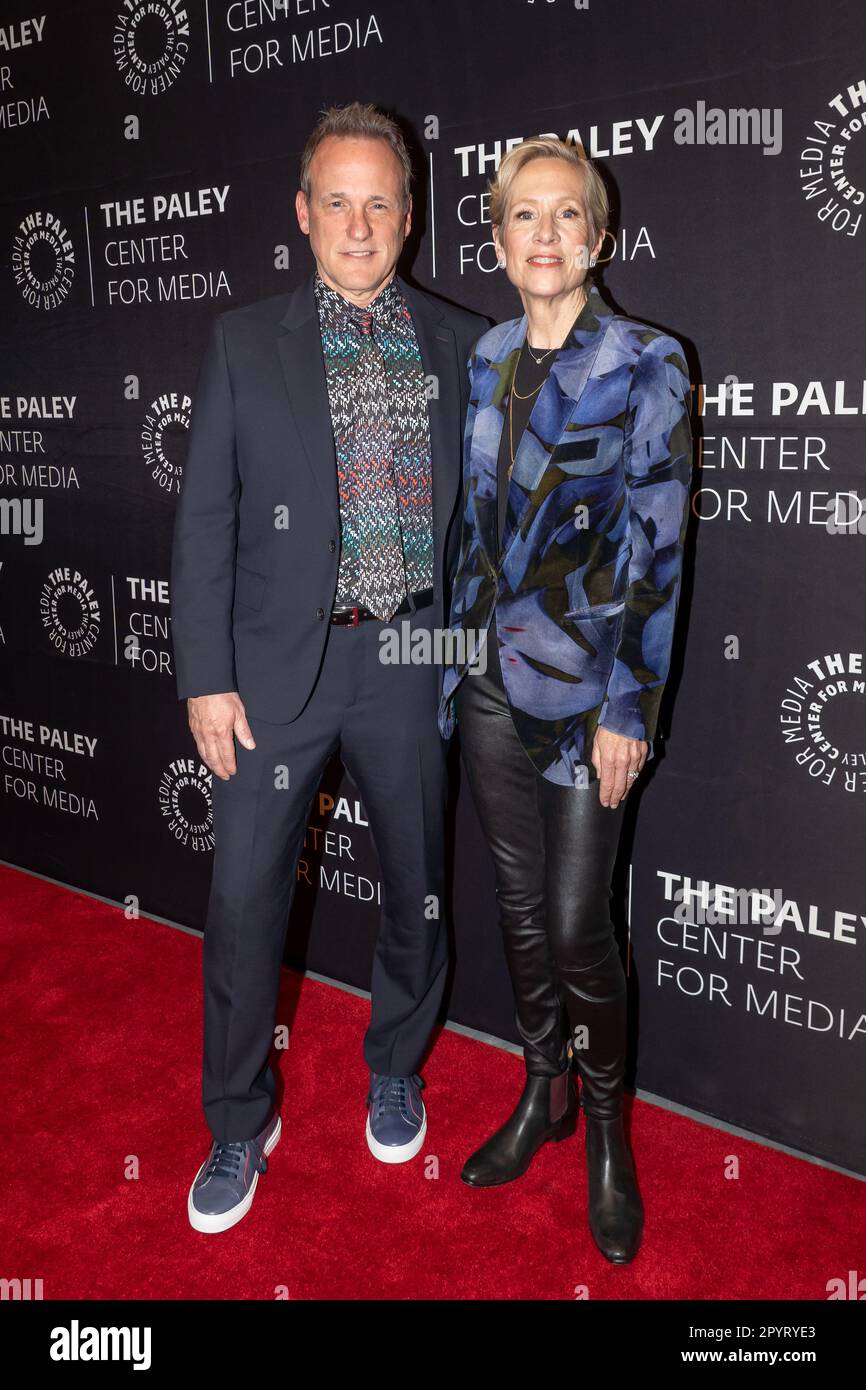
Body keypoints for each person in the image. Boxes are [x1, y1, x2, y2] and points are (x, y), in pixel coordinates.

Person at [171, 101, 487, 1234]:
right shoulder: (243, 342)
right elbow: (206, 517)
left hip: (410, 652)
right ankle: (234, 1120)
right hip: (267, 673)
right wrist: (204, 674)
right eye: (337, 202)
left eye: (381, 203)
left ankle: (394, 1061)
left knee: (417, 884)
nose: (359, 224)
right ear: (303, 214)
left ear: (408, 219)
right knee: (245, 902)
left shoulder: (460, 343)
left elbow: (484, 526)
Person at [438, 136, 693, 1263]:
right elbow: (472, 532)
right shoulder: (486, 352)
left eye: (564, 216)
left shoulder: (647, 360)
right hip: (488, 679)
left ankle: (603, 1135)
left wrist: (627, 708)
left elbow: (658, 552)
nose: (542, 236)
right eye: (520, 217)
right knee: (515, 903)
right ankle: (538, 1088)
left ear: (596, 235)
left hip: (588, 691)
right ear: (495, 240)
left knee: (582, 922)